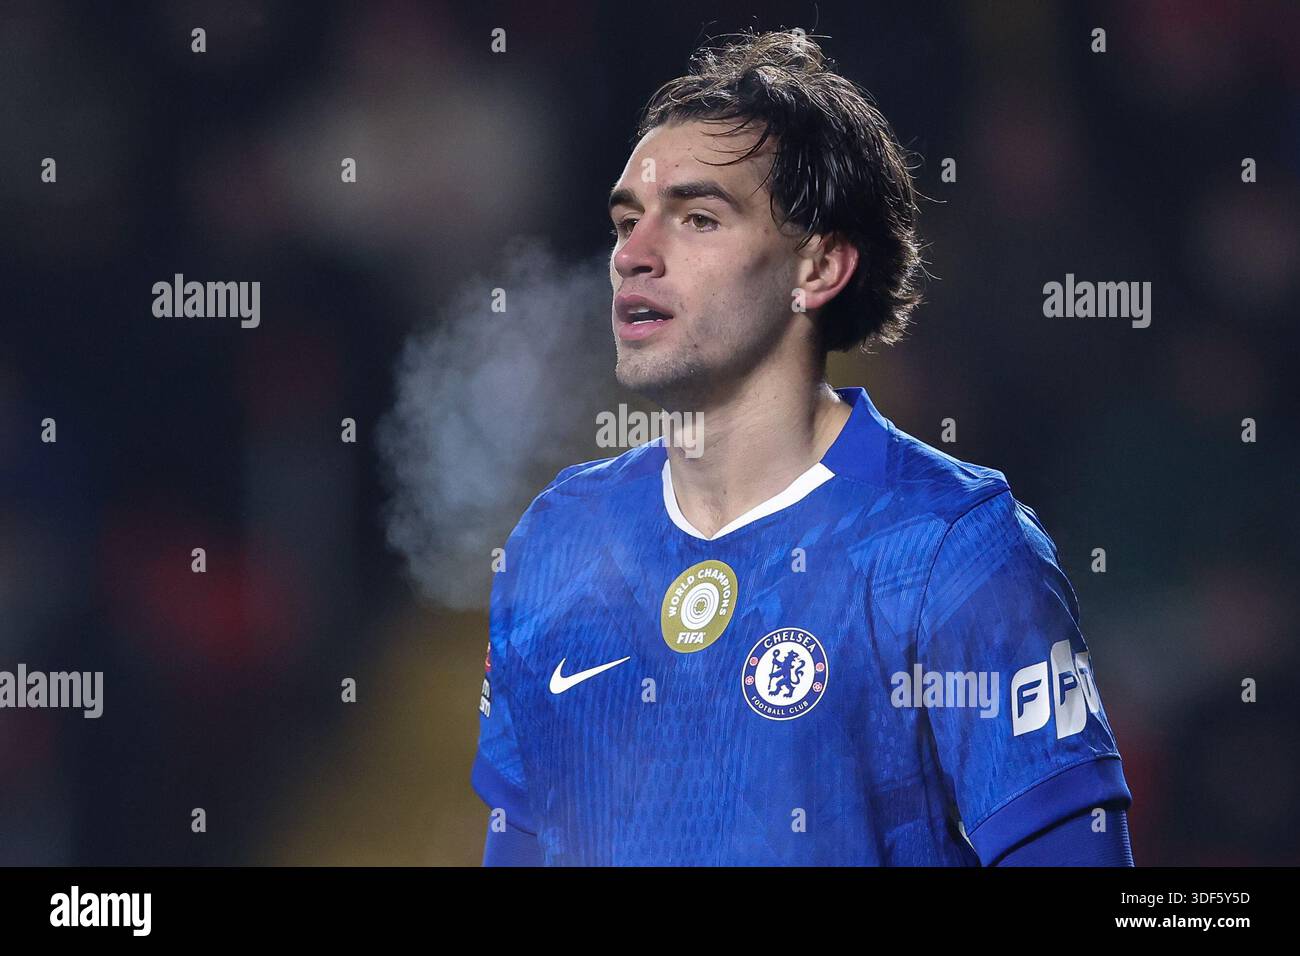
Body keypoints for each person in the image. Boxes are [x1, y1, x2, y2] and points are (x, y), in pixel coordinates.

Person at [471, 29, 1133, 866]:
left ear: (817, 269)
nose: (633, 256)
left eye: (699, 218)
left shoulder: (953, 552)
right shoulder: (554, 541)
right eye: (627, 222)